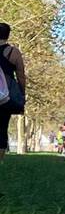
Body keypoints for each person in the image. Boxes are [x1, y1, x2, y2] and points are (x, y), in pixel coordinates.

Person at [0, 23, 26, 158]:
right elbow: (21, 75)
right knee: (3, 126)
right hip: (5, 95)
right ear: (8, 35)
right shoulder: (13, 52)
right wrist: (22, 94)